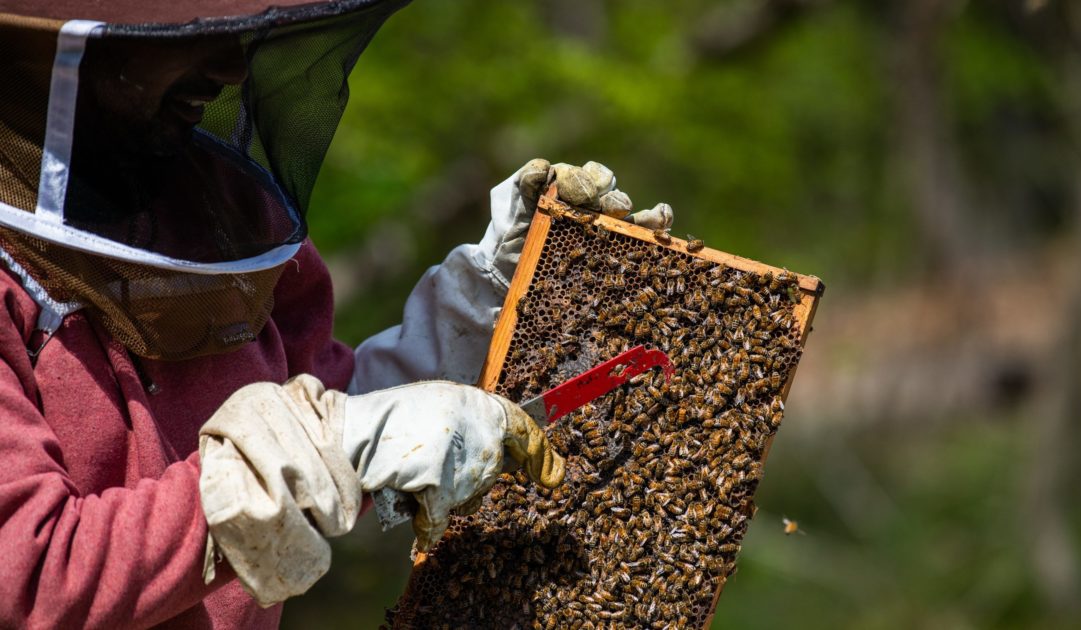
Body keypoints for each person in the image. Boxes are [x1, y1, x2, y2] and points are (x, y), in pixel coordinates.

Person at [0, 1, 674, 628]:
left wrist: (487, 297)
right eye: (192, 32)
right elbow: (29, 575)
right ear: (53, 49)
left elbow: (326, 418)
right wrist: (340, 441)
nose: (233, 66)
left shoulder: (222, 222)